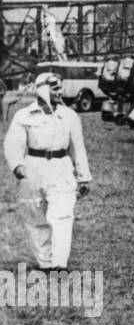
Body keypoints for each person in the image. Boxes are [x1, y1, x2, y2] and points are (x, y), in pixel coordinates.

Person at [4, 72, 92, 271]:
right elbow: (12, 143)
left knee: (62, 215)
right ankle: (45, 262)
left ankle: (59, 264)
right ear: (41, 88)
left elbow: (78, 148)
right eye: (54, 86)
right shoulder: (24, 115)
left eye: (60, 86)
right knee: (36, 218)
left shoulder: (69, 116)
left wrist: (84, 176)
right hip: (33, 168)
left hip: (61, 167)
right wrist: (18, 165)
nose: (59, 90)